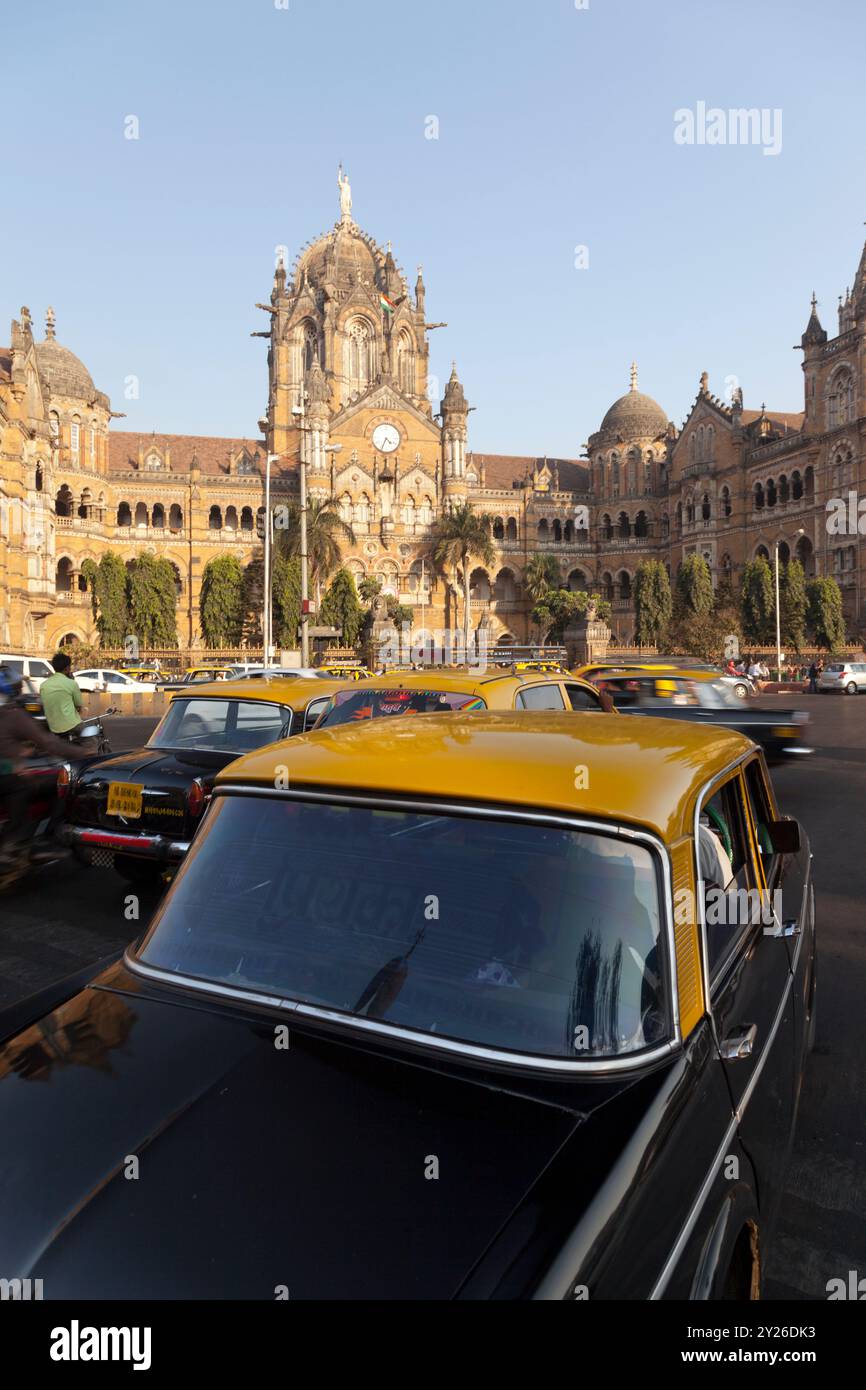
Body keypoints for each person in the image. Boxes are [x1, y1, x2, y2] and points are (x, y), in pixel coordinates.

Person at [0, 667, 90, 868]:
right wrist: (83, 755)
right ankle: (41, 839)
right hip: (10, 780)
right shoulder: (13, 715)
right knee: (59, 782)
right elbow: (49, 743)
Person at [39, 651, 84, 737]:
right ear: (67, 668)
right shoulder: (71, 683)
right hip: (72, 726)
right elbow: (78, 705)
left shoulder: (43, 686)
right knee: (91, 741)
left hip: (53, 728)